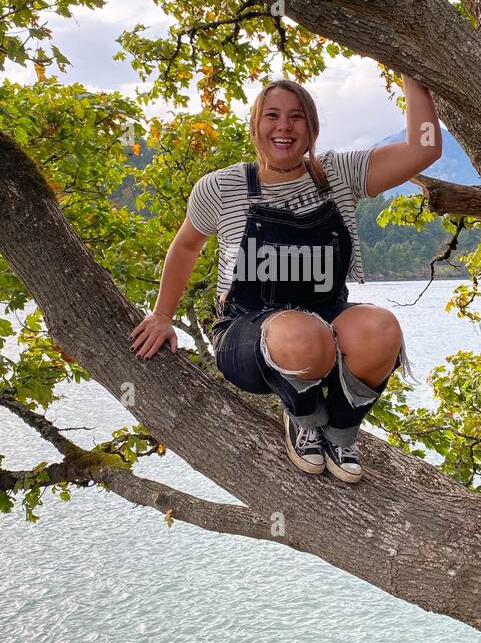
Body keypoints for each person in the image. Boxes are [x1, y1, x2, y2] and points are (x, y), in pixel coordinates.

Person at [130, 76, 443, 482]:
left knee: (382, 329)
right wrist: (161, 315)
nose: (284, 126)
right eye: (273, 116)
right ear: (255, 125)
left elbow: (424, 149)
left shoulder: (338, 174)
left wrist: (411, 72)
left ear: (311, 129)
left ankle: (340, 432)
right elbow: (187, 246)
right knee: (303, 334)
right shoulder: (222, 187)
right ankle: (304, 419)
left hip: (326, 323)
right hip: (247, 334)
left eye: (297, 117)